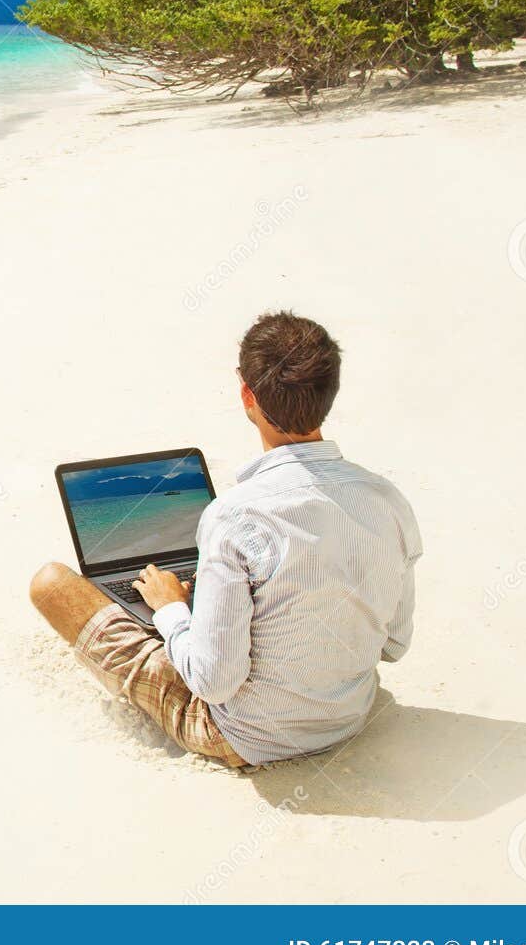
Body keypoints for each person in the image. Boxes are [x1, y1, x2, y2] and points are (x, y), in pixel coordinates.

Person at [29, 311, 421, 767]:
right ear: (329, 394)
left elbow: (213, 683)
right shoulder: (388, 499)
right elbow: (394, 645)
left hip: (246, 736)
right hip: (349, 716)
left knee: (51, 582)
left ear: (246, 394)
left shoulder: (233, 517)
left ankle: (162, 613)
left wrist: (171, 609)